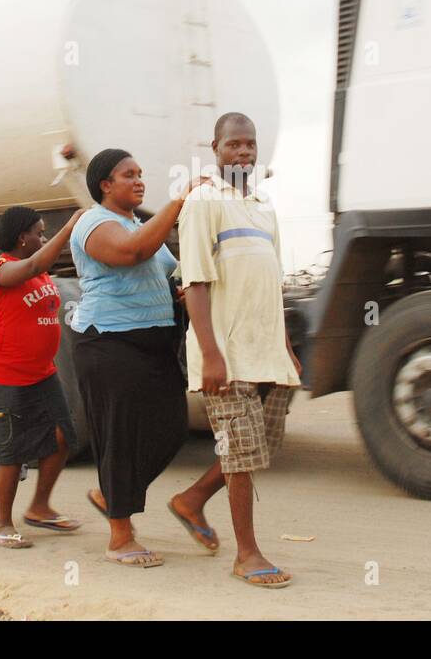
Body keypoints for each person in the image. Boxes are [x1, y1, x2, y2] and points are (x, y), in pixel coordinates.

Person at [174, 112, 301, 588]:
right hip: (224, 351)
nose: (244, 153)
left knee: (258, 444)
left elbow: (274, 284)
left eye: (250, 145)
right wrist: (210, 353)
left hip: (264, 349)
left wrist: (284, 347)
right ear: (216, 148)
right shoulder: (204, 202)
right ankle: (247, 555)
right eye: (234, 145)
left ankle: (190, 501)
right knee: (241, 451)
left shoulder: (265, 206)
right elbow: (197, 283)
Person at [69, 149, 204, 568]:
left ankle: (112, 494)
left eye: (141, 174)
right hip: (110, 345)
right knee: (121, 437)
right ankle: (120, 536)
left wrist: (179, 289)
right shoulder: (93, 222)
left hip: (153, 346)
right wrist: (178, 203)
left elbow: (168, 270)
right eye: (129, 175)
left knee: (171, 427)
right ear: (106, 185)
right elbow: (130, 254)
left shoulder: (138, 223)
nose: (139, 180)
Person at [0, 205, 85, 549]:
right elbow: (35, 264)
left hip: (43, 373)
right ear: (22, 236)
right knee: (10, 451)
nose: (41, 237)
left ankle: (40, 507)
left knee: (63, 436)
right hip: (7, 376)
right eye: (38, 232)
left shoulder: (39, 273)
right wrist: (69, 226)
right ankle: (2, 523)